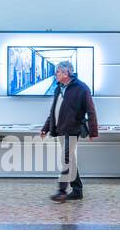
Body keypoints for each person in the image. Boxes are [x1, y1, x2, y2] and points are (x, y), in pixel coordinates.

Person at [40, 60, 99, 202]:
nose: (55, 74)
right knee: (70, 159)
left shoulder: (82, 88)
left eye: (58, 72)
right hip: (60, 130)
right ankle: (77, 190)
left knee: (66, 159)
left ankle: (61, 191)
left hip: (73, 129)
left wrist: (93, 131)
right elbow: (53, 111)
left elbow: (91, 111)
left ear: (66, 73)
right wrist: (46, 128)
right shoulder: (58, 88)